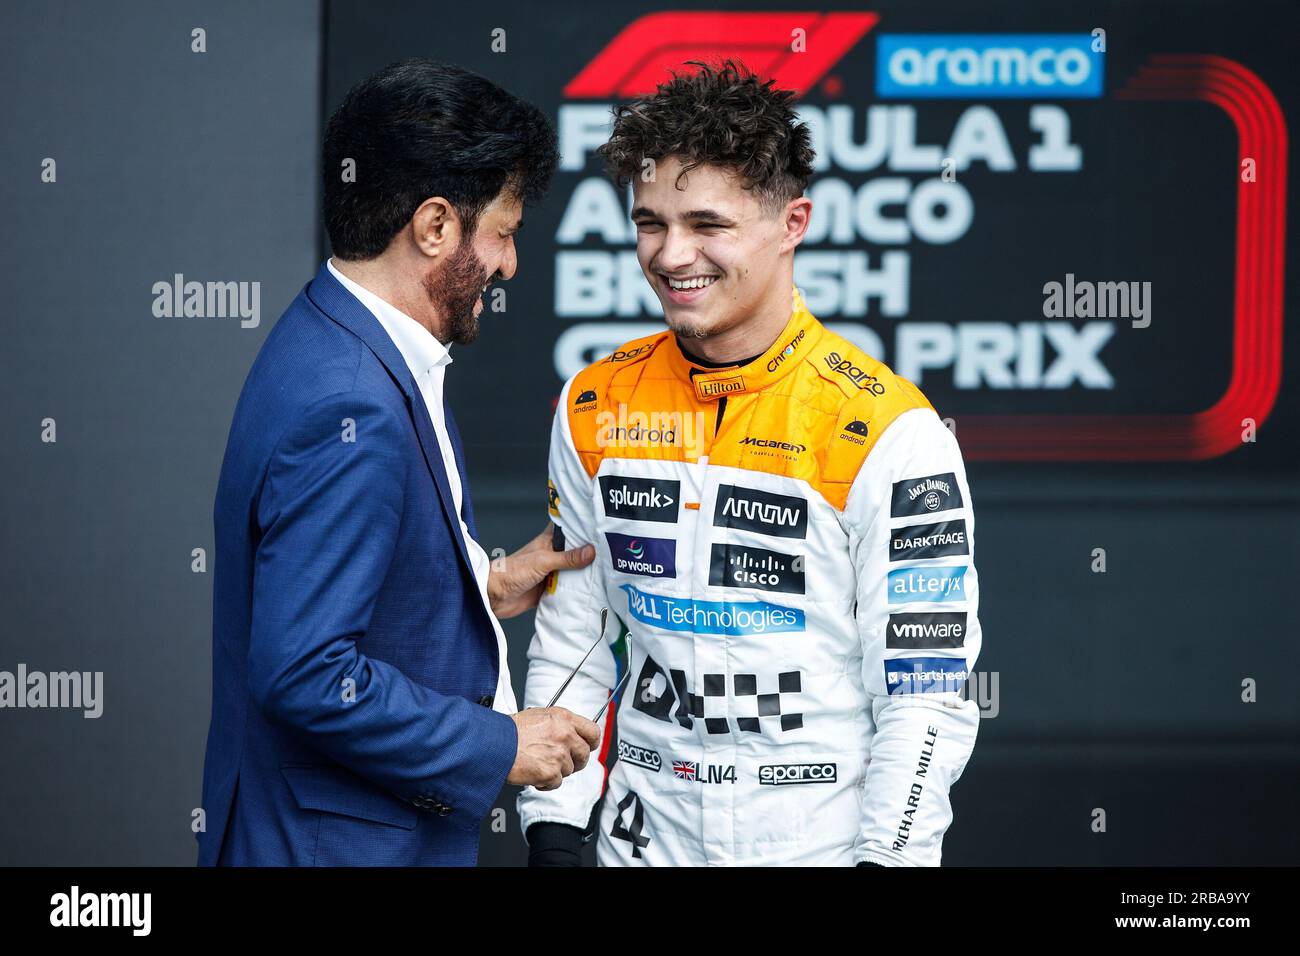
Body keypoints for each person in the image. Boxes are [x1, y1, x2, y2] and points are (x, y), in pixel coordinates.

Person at [518, 61, 983, 866]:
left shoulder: (888, 429)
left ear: (792, 222)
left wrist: (890, 860)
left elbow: (926, 694)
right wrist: (554, 830)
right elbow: (575, 636)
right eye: (649, 222)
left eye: (707, 224)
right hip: (641, 845)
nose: (671, 255)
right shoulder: (595, 403)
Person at [198, 59, 600, 867]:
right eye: (505, 232)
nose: (511, 264)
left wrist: (475, 585)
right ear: (435, 226)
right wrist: (496, 744)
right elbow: (307, 672)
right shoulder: (352, 403)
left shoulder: (333, 335)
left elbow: (314, 581)